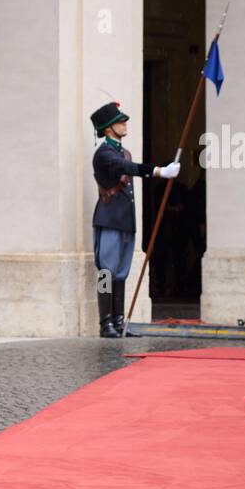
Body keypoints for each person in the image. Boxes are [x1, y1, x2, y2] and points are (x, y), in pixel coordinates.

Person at [89, 101, 179, 337]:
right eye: (119, 121)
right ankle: (105, 323)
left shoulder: (120, 151)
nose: (124, 123)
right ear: (108, 129)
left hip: (125, 221)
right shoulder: (105, 154)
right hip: (108, 219)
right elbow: (126, 167)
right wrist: (159, 171)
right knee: (105, 272)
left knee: (121, 272)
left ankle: (119, 321)